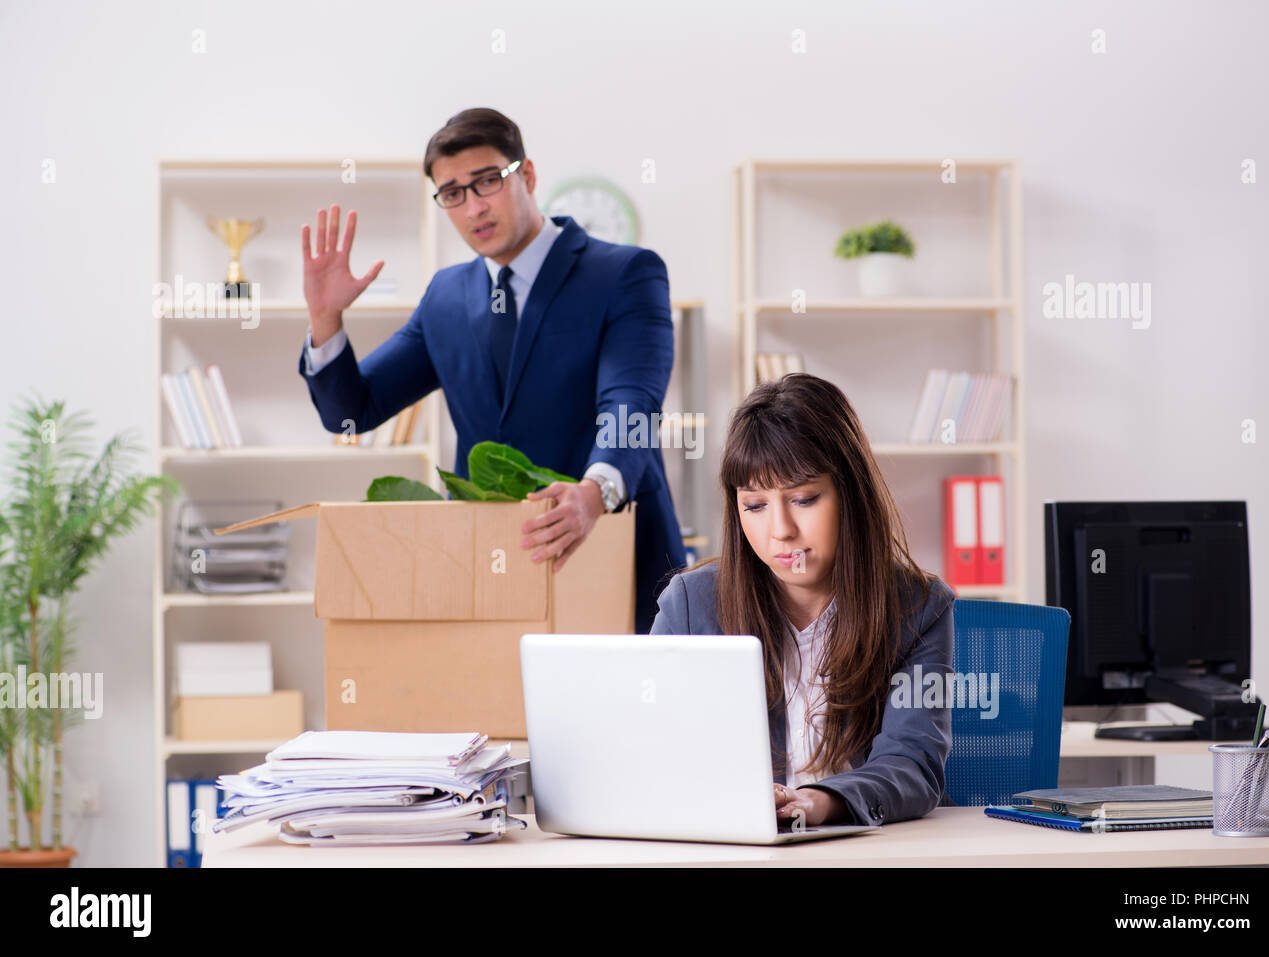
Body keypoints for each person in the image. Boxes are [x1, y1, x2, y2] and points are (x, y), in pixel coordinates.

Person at [297, 108, 686, 633]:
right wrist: (325, 319)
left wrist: (594, 494)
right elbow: (353, 410)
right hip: (493, 570)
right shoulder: (445, 296)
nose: (473, 206)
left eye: (486, 181)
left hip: (612, 551)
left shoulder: (623, 273)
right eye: (452, 193)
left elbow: (631, 403)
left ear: (525, 175)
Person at [650, 373, 956, 827]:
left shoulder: (918, 607)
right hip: (734, 850)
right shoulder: (691, 605)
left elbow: (913, 763)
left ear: (850, 492)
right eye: (754, 505)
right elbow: (650, 748)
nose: (781, 531)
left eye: (804, 499)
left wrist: (819, 801)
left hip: (867, 850)